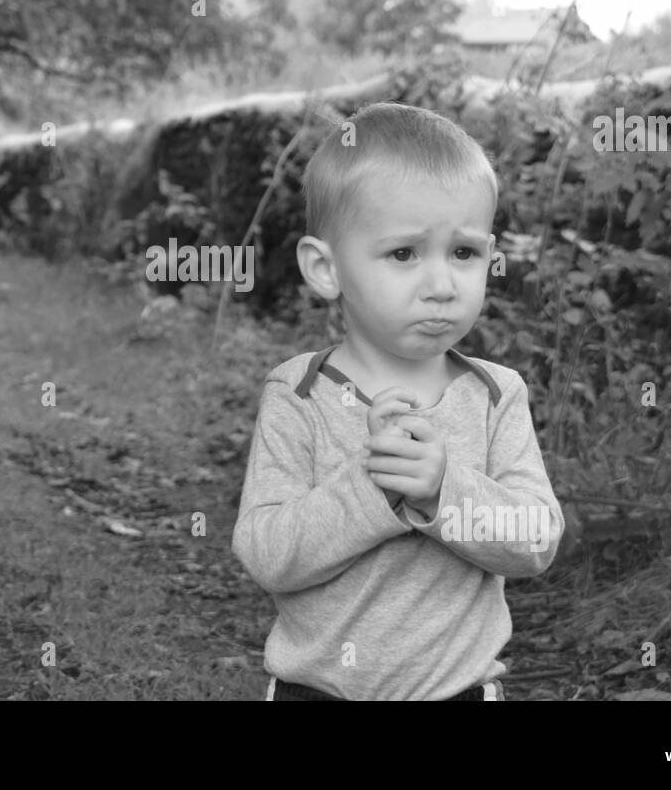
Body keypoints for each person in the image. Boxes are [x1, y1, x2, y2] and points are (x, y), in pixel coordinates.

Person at [232, 102, 564, 701]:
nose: (441, 286)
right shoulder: (298, 394)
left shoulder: (495, 395)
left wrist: (443, 490)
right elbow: (266, 553)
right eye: (404, 254)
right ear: (325, 268)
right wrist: (370, 490)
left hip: (456, 692)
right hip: (318, 692)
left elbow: (535, 541)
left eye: (463, 253)